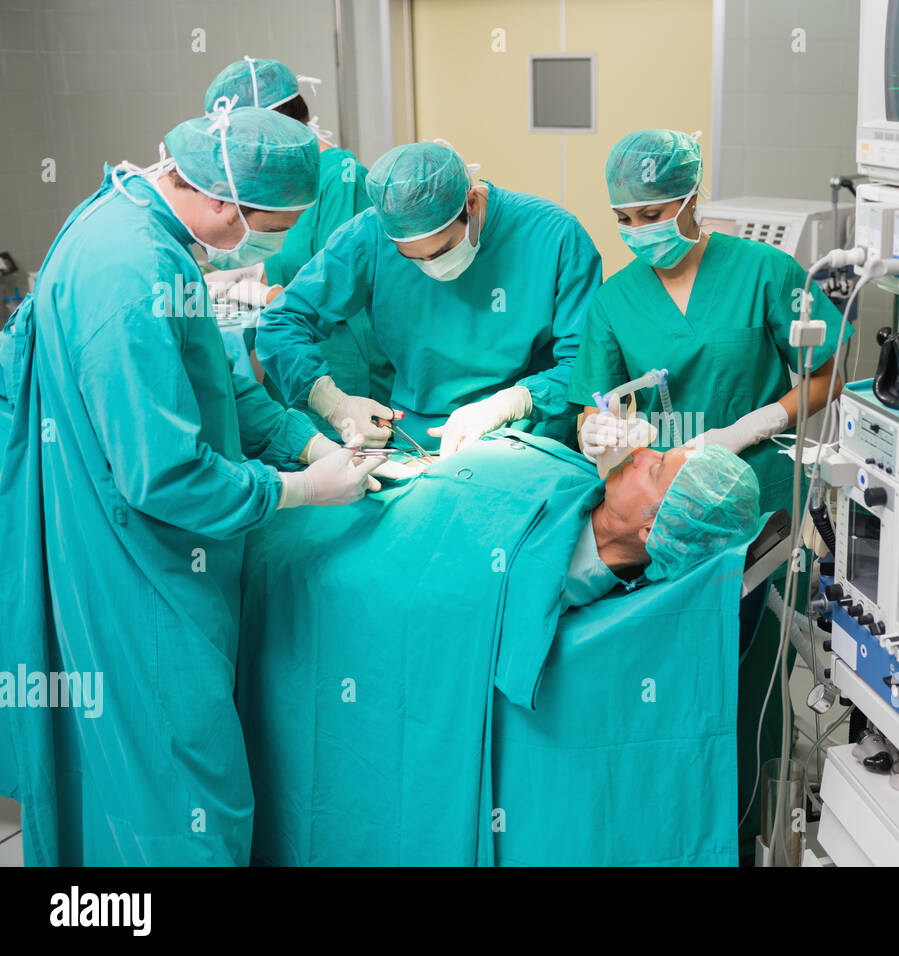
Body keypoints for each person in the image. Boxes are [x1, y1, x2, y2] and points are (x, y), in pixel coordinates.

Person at [0, 104, 385, 866]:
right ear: (219, 198)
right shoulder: (129, 272)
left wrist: (308, 440)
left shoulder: (139, 226)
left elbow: (208, 380)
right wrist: (299, 492)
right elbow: (164, 472)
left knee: (122, 775)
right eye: (266, 224)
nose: (264, 244)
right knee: (185, 793)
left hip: (129, 547)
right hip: (138, 565)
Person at [236, 429, 762, 864]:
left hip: (362, 557)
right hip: (393, 498)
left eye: (655, 469)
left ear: (653, 529)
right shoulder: (582, 490)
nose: (642, 452)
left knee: (278, 554)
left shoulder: (550, 582)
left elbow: (450, 612)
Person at [567, 128, 855, 860]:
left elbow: (828, 370)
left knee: (745, 680)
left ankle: (741, 831)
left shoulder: (763, 271)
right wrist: (600, 433)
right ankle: (671, 831)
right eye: (624, 219)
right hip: (665, 515)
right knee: (669, 669)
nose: (639, 231)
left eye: (653, 212)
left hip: (755, 501)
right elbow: (594, 403)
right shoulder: (613, 301)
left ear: (692, 197)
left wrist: (756, 422)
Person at [256, 140, 602, 455]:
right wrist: (333, 403)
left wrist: (513, 403)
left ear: (471, 202)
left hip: (526, 434)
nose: (431, 267)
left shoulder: (553, 235)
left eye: (442, 249)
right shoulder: (370, 234)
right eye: (413, 258)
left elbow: (586, 364)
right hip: (415, 437)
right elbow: (282, 321)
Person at [202, 56, 395, 436]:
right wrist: (246, 279)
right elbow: (290, 260)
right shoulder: (278, 186)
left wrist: (263, 294)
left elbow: (335, 289)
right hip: (292, 360)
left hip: (343, 367)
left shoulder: (341, 178)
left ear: (275, 127)